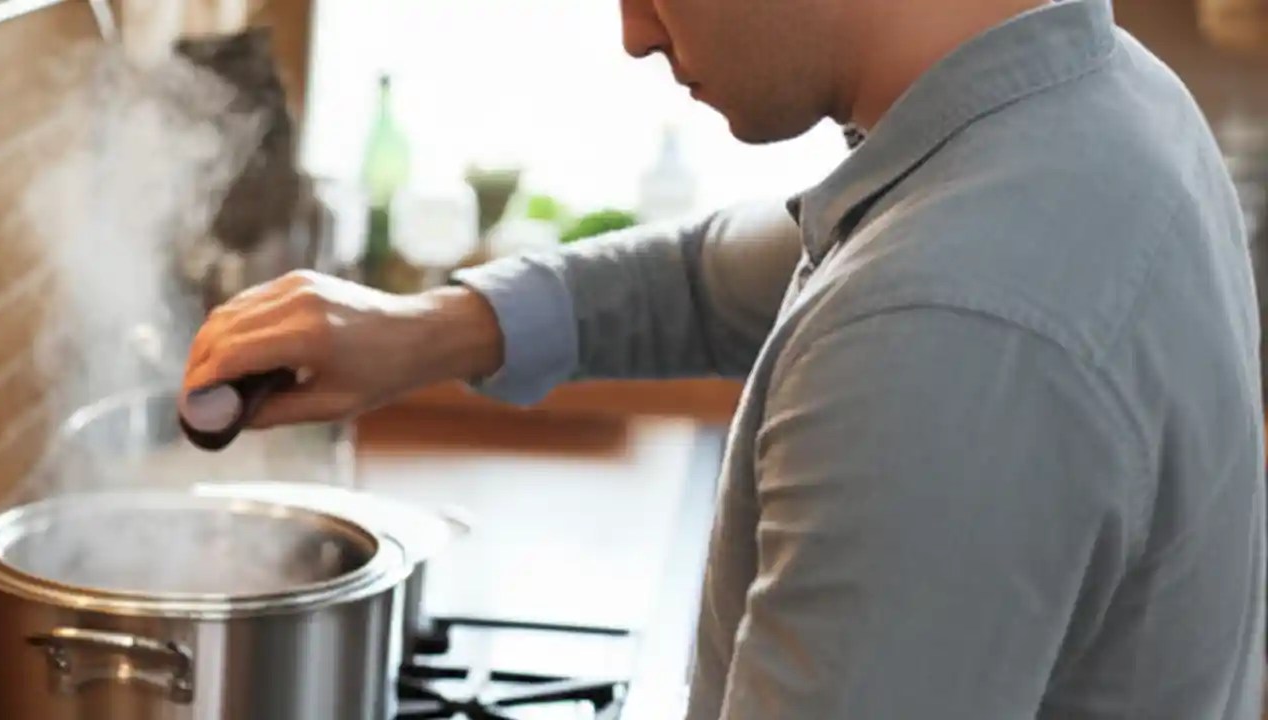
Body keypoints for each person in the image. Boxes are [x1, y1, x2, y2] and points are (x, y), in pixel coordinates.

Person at [180, 0, 1266, 717]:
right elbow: (719, 272)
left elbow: (896, 310)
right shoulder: (1091, 93)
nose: (633, 32)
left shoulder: (943, 329)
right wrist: (429, 331)